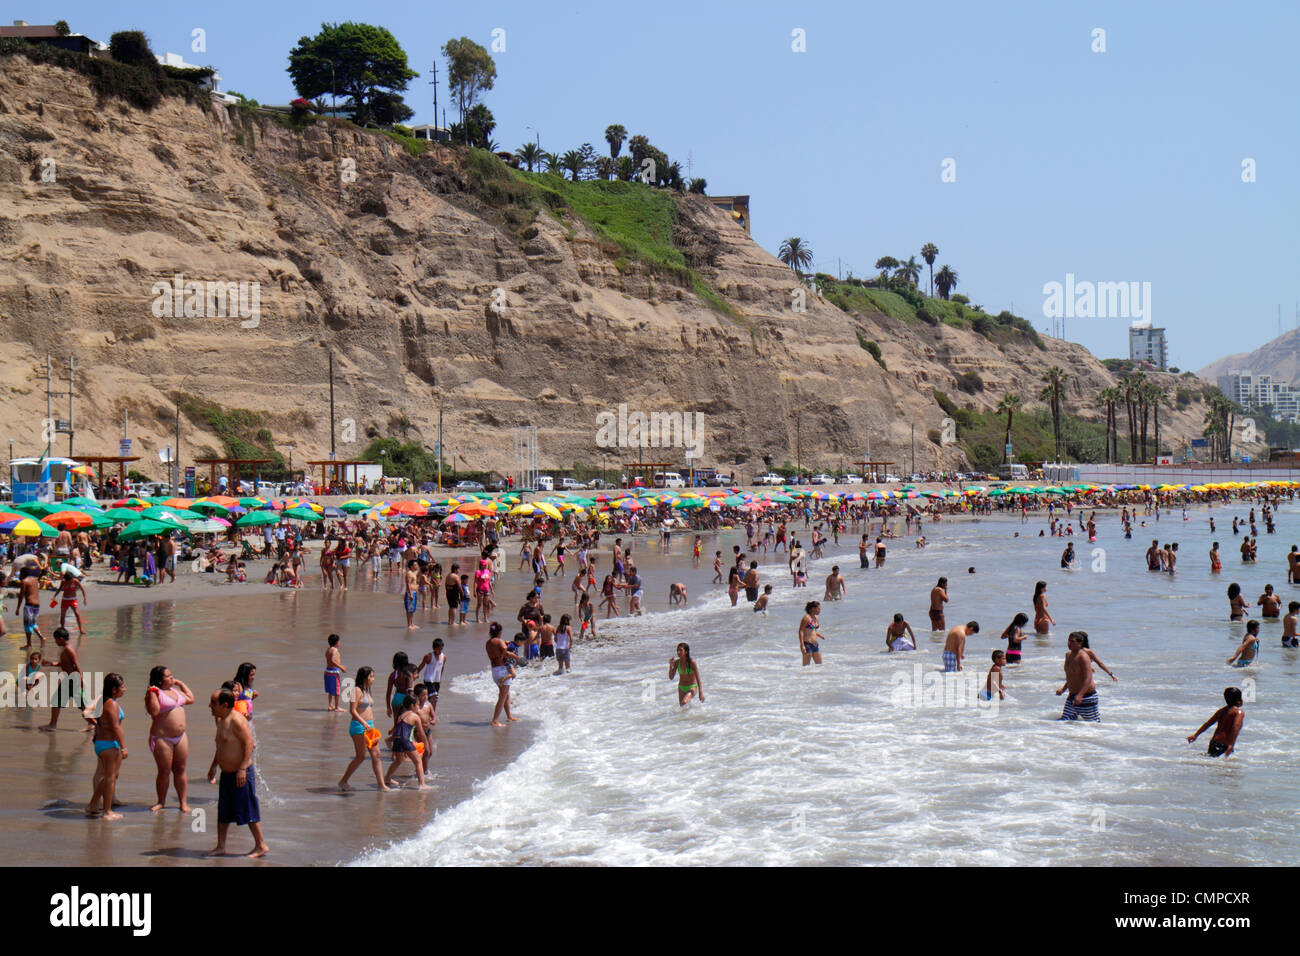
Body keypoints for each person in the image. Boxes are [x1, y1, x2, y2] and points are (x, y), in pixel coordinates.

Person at [206, 688, 268, 857]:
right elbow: (221, 747)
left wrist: (242, 769)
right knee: (223, 811)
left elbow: (249, 744)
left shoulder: (237, 721)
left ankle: (261, 845)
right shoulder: (221, 720)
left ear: (225, 705)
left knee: (248, 809)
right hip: (226, 774)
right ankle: (220, 846)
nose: (210, 706)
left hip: (241, 773)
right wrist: (214, 766)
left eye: (213, 703)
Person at [145, 665, 195, 812]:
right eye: (168, 676)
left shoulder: (174, 690)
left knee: (180, 769)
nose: (172, 678)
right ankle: (161, 801)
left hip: (180, 737)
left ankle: (183, 802)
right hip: (162, 738)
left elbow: (191, 699)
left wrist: (180, 684)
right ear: (160, 680)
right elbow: (154, 712)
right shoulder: (154, 693)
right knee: (164, 771)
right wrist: (152, 694)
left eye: (172, 675)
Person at [338, 667, 389, 791]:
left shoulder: (366, 691)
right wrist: (364, 723)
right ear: (365, 677)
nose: (373, 679)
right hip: (359, 726)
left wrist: (371, 725)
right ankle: (343, 781)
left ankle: (382, 785)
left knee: (376, 755)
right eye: (371, 676)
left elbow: (368, 710)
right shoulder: (355, 690)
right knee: (360, 756)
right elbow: (352, 710)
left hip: (369, 727)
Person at [85, 672, 128, 819]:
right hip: (110, 744)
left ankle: (93, 804)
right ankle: (107, 811)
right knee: (109, 778)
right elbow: (116, 727)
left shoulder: (103, 701)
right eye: (122, 686)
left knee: (108, 777)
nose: (125, 689)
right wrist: (123, 747)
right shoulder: (112, 704)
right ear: (114, 689)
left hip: (101, 743)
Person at [40, 628, 93, 732]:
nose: (55, 642)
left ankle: (95, 724)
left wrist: (80, 679)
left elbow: (76, 664)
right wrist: (52, 663)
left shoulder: (69, 649)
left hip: (72, 680)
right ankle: (93, 724)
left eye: (56, 640)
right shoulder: (65, 649)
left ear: (61, 639)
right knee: (78, 704)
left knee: (80, 705)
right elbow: (65, 664)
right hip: (68, 681)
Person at [384, 696, 429, 789]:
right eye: (417, 704)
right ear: (412, 706)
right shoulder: (415, 716)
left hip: (397, 739)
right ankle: (422, 784)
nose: (418, 706)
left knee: (398, 760)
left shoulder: (401, 715)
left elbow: (397, 729)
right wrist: (425, 743)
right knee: (418, 761)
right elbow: (421, 733)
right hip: (405, 740)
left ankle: (387, 778)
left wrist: (391, 739)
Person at [1187, 687, 1245, 757]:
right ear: (1239, 700)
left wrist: (1195, 735)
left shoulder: (1221, 711)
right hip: (1224, 744)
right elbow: (1235, 727)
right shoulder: (1239, 712)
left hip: (1214, 743)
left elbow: (1208, 723)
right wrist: (1231, 745)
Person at [1056, 631, 1101, 721]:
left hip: (1086, 697)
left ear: (1080, 643)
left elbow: (1088, 678)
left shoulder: (1083, 657)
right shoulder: (1068, 655)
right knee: (1064, 722)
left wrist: (1080, 695)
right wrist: (1063, 689)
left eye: (1072, 641)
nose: (1069, 643)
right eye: (1068, 641)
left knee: (1093, 725)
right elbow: (1071, 676)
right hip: (1072, 696)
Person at [486, 622, 521, 727]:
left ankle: (509, 716)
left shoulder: (488, 642)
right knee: (502, 696)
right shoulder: (499, 641)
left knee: (506, 694)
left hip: (494, 670)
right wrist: (518, 658)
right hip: (502, 670)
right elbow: (506, 651)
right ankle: (495, 720)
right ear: (500, 632)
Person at [417, 639, 446, 712]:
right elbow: (422, 665)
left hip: (437, 680)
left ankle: (429, 714)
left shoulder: (444, 657)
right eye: (438, 649)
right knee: (433, 695)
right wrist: (416, 673)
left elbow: (442, 667)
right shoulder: (428, 656)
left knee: (433, 699)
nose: (439, 651)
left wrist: (440, 679)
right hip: (428, 680)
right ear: (433, 648)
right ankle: (432, 716)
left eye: (441, 649)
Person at [798, 601, 825, 666]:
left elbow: (813, 631)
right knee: (806, 667)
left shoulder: (815, 618)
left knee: (820, 665)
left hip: (815, 644)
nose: (820, 610)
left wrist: (820, 635)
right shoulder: (806, 618)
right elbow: (801, 631)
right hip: (807, 644)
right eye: (818, 609)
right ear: (813, 609)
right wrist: (802, 645)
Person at [324, 633, 345, 712]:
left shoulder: (328, 649)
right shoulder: (335, 650)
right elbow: (332, 660)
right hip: (333, 672)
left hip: (327, 671)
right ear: (336, 642)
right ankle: (337, 707)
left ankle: (330, 705)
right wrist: (341, 667)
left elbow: (328, 658)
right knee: (337, 690)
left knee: (330, 690)